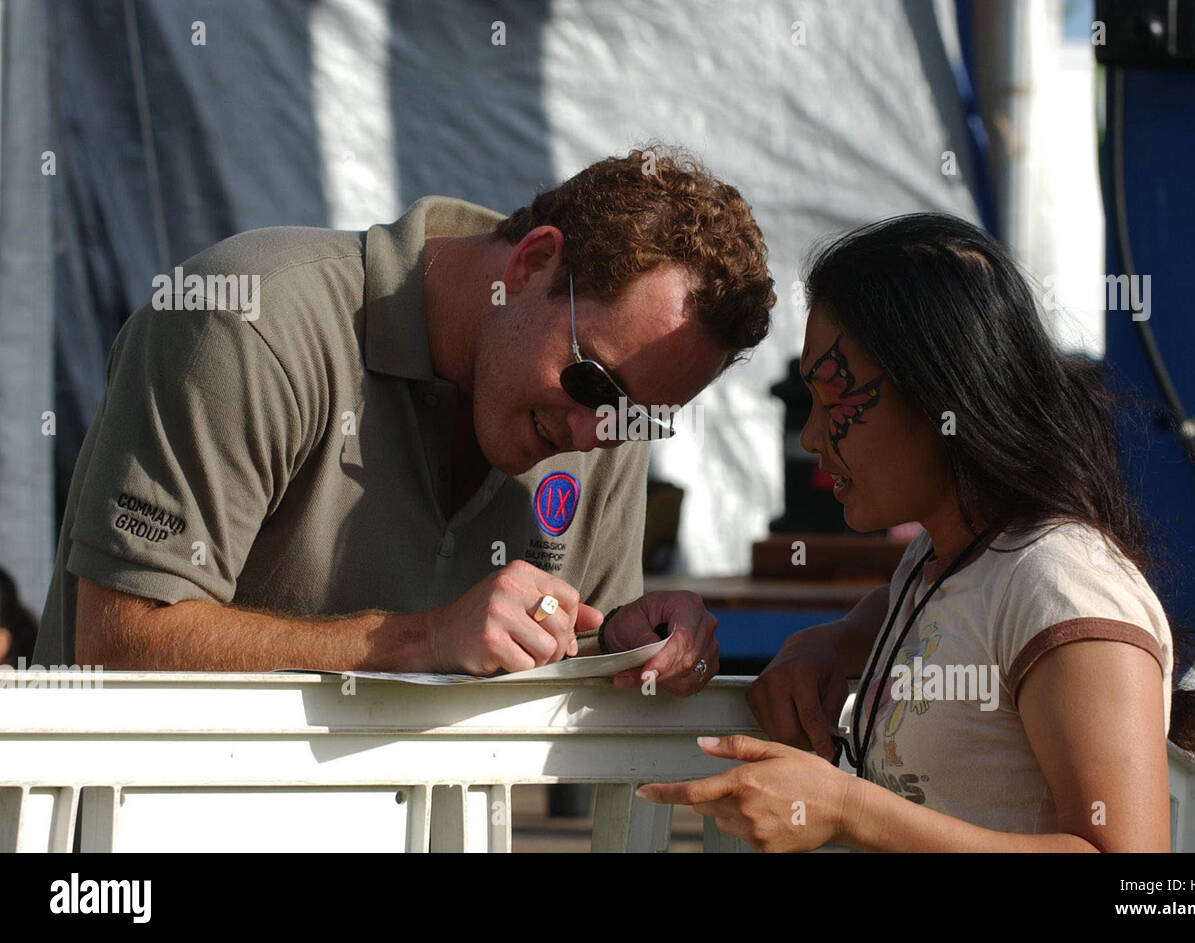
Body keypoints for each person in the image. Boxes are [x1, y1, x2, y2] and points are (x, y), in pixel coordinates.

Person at [36, 147, 776, 694]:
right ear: (531, 264)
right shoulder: (246, 320)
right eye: (593, 382)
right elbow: (118, 643)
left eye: (635, 419)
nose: (594, 434)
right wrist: (418, 639)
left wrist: (623, 644)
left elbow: (562, 663)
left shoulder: (601, 417)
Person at [638, 214, 1195, 849]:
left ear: (941, 395)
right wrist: (827, 644)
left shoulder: (1064, 586)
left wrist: (845, 807)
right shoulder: (949, 555)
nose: (811, 438)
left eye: (837, 402)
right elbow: (918, 616)